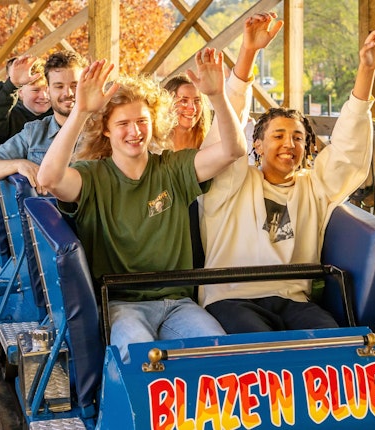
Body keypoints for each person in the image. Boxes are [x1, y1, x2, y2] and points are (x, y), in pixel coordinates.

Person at [35, 50, 246, 360]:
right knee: (141, 357)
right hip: (122, 305)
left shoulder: (173, 168)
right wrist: (80, 111)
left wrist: (217, 96)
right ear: (106, 129)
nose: (134, 132)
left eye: (142, 122)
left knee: (220, 353)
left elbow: (233, 150)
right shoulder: (91, 176)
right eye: (123, 123)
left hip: (177, 303)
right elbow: (49, 178)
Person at [199, 30, 375, 334]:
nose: (288, 144)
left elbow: (347, 149)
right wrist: (248, 52)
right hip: (233, 298)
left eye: (297, 138)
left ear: (307, 147)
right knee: (262, 347)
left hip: (293, 300)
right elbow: (229, 130)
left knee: (333, 343)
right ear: (257, 145)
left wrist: (367, 69)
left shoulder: (315, 188)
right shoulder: (231, 183)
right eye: (278, 136)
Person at [0, 52, 85, 188]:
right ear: (50, 91)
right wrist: (18, 164)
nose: (68, 93)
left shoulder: (101, 130)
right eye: (59, 86)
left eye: (75, 85)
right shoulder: (34, 131)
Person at [0, 52, 69, 144]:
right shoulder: (10, 118)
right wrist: (11, 85)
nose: (44, 96)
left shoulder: (60, 114)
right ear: (20, 92)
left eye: (47, 89)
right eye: (35, 90)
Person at [164, 74, 209, 150]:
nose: (192, 108)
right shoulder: (154, 147)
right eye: (183, 100)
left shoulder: (208, 143)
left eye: (197, 101)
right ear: (167, 103)